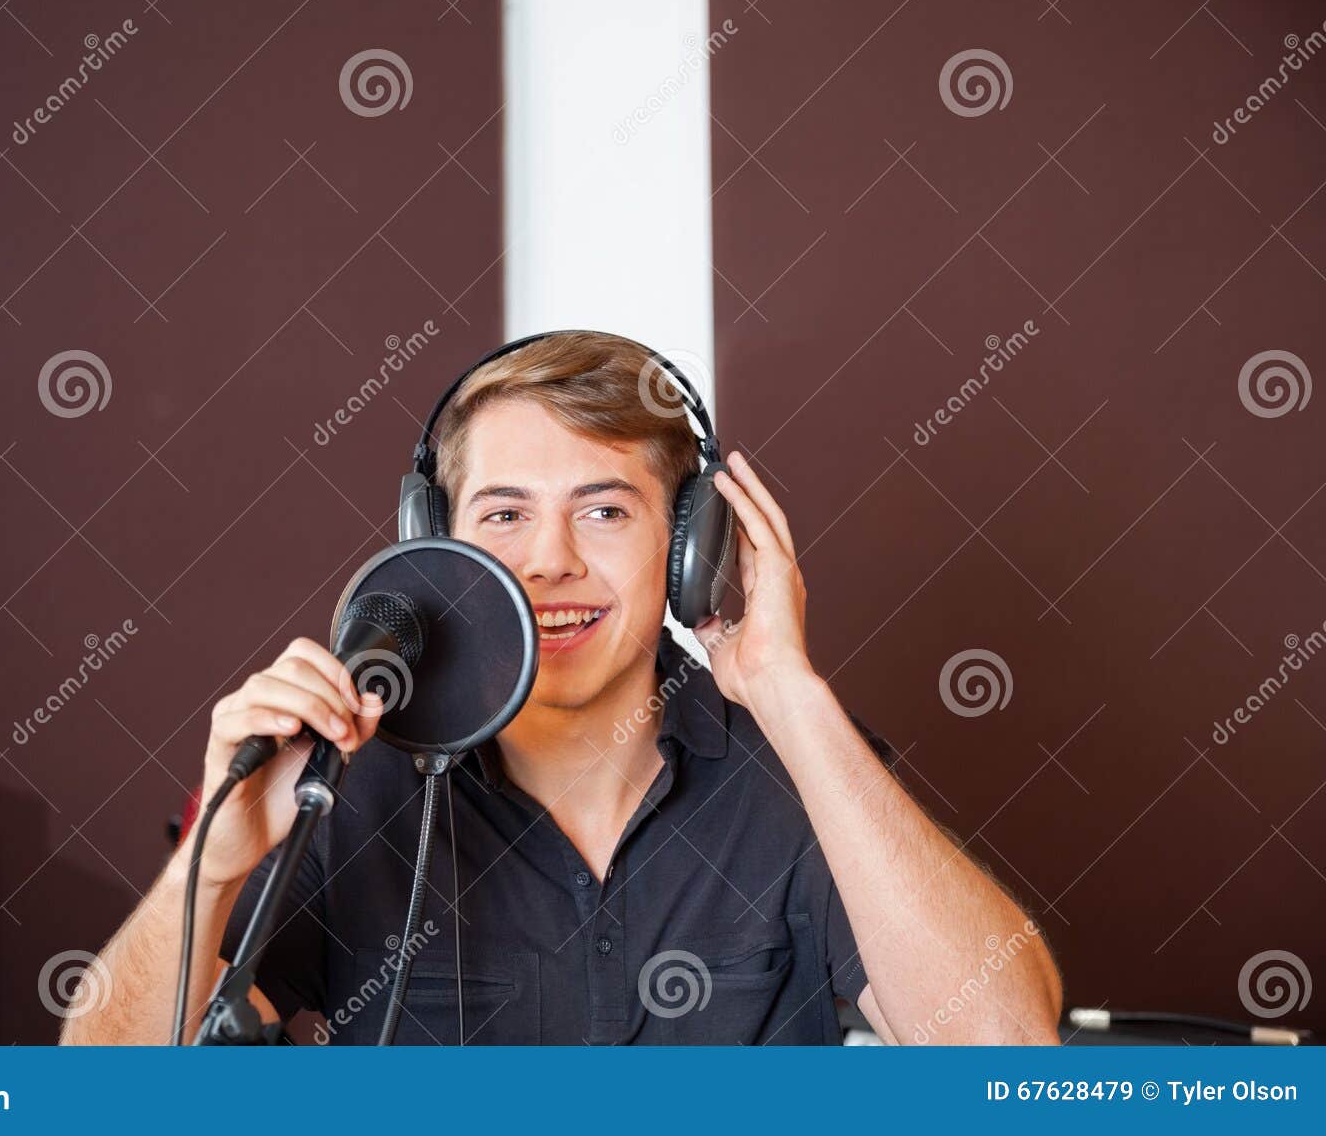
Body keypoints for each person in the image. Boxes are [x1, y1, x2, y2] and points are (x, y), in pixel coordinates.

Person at [61, 331, 1062, 1045]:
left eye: (604, 511)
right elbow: (103, 1096)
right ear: (435, 542)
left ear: (690, 551)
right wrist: (214, 862)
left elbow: (1005, 1054)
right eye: (504, 514)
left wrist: (791, 696)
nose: (548, 561)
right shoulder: (349, 782)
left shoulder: (798, 776)